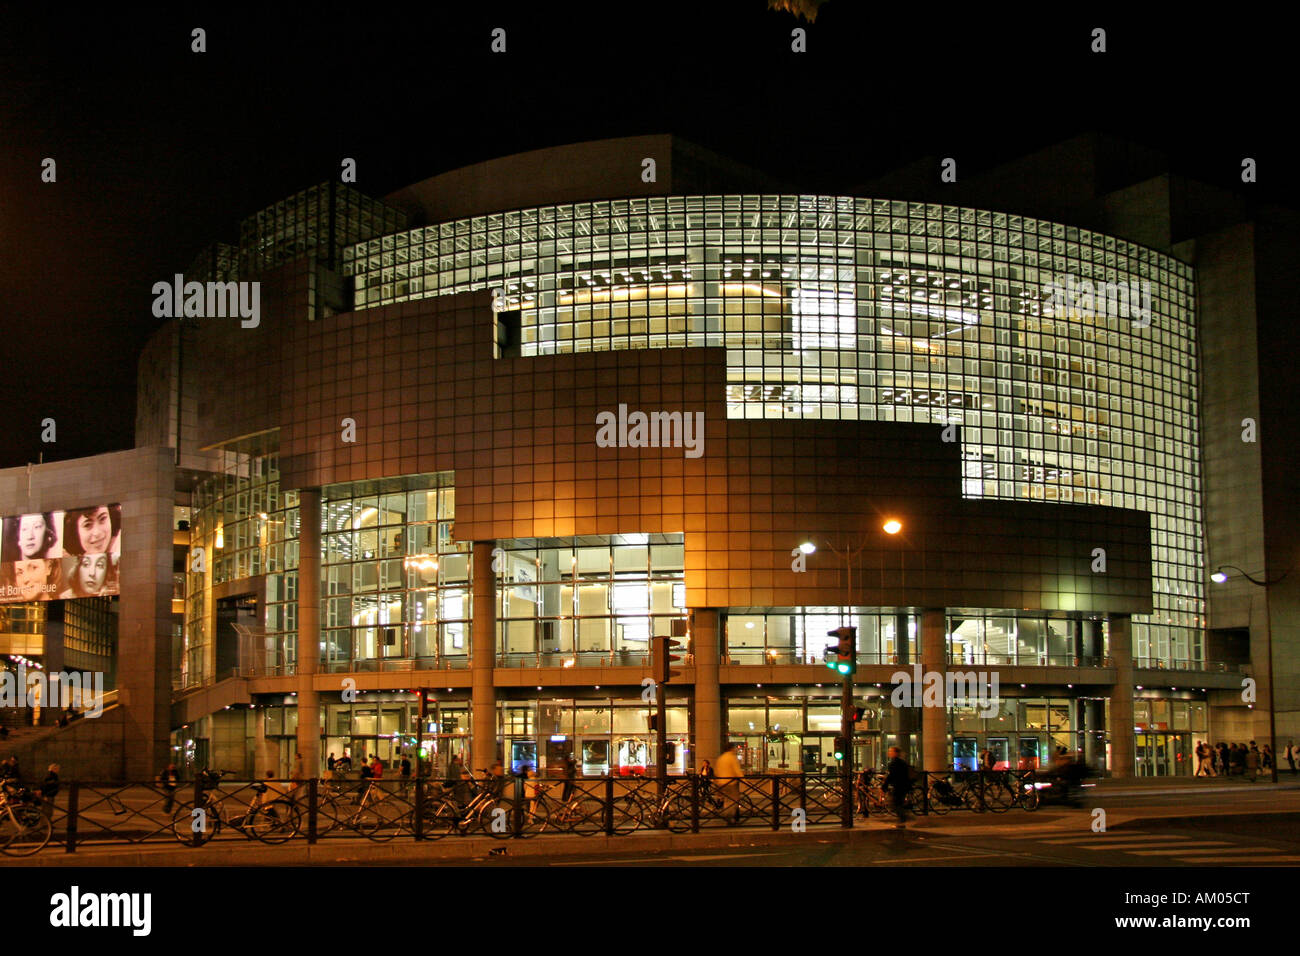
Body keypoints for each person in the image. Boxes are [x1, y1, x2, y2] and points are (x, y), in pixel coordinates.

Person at [714, 742, 744, 824]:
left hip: (721, 782)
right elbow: (737, 770)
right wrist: (744, 780)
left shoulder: (721, 758)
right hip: (731, 782)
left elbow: (716, 771)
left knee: (726, 800)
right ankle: (729, 816)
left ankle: (728, 815)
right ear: (731, 748)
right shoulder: (732, 757)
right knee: (733, 800)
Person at [882, 746, 912, 827]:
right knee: (898, 802)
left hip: (899, 785)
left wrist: (885, 785)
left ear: (895, 753)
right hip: (903, 785)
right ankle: (903, 818)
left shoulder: (894, 763)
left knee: (896, 803)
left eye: (891, 751)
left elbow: (891, 775)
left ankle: (903, 819)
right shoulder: (902, 762)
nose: (889, 753)